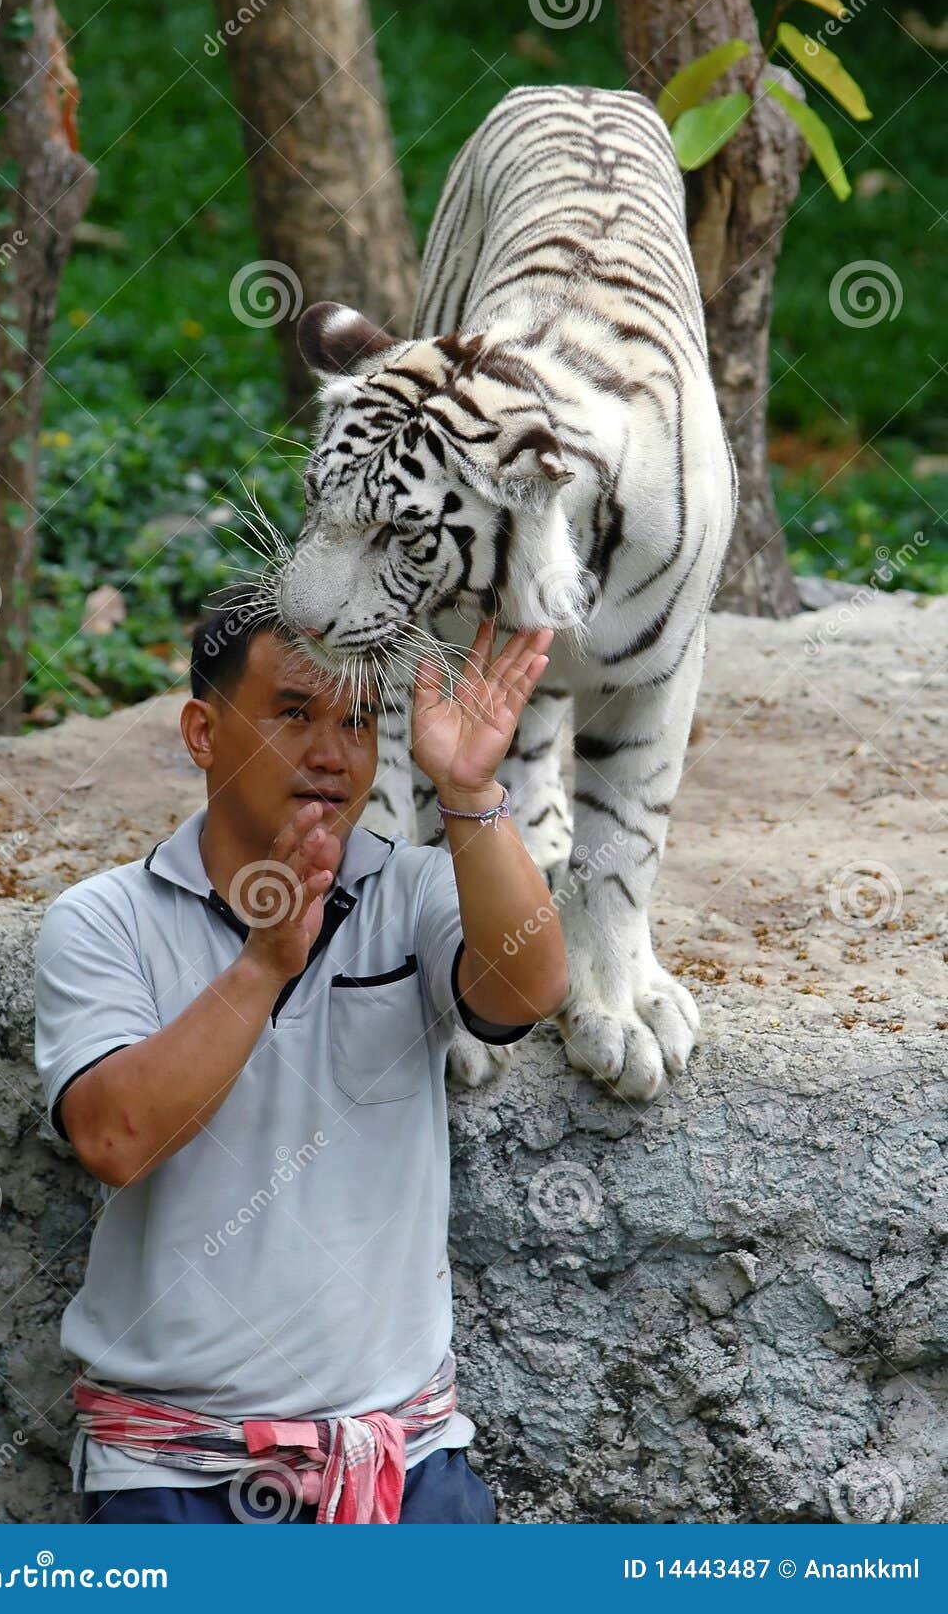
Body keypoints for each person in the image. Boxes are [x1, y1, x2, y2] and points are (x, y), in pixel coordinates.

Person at [34, 582, 568, 1524]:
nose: (332, 754)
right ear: (203, 734)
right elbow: (114, 1138)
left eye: (359, 721)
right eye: (293, 714)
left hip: (404, 1466)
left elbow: (528, 990)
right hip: (172, 1472)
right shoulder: (103, 920)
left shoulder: (414, 892)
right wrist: (265, 961)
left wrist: (472, 793)